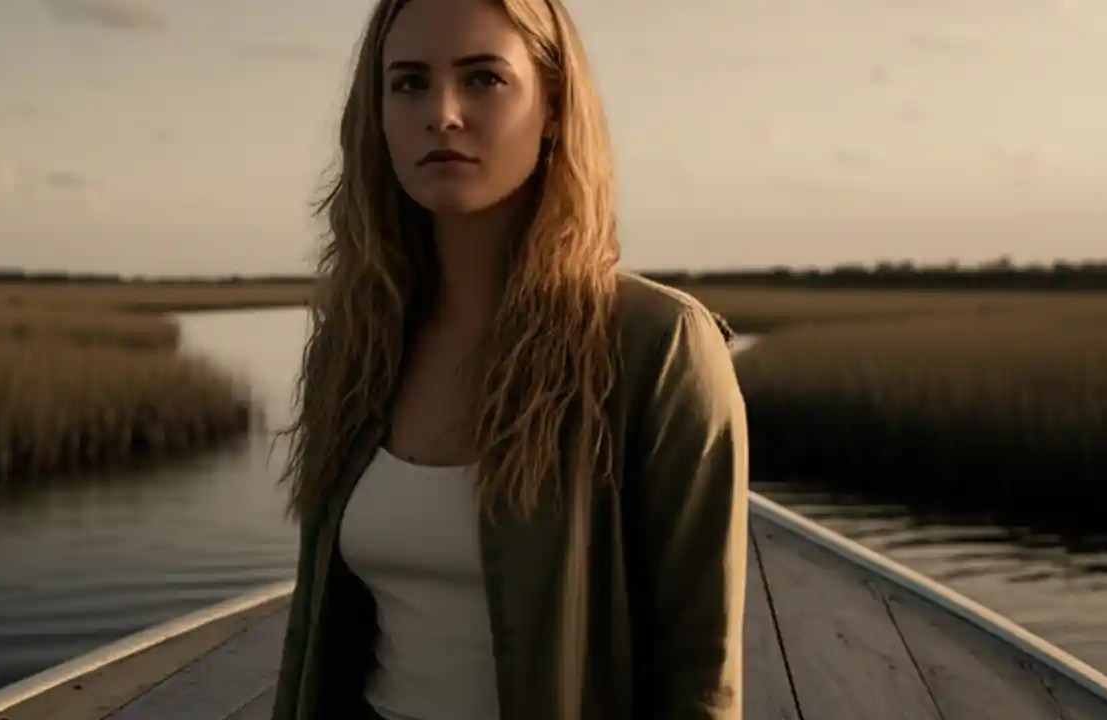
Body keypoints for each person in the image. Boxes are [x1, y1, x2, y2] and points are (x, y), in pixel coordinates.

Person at [270, 0, 749, 717]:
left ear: (553, 105)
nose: (443, 113)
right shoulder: (358, 341)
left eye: (484, 79)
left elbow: (699, 680)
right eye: (408, 83)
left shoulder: (658, 347)